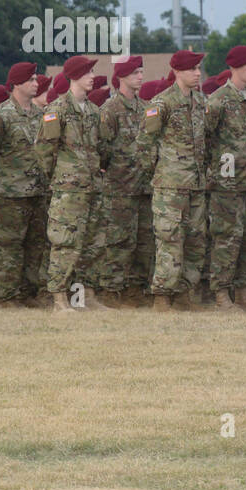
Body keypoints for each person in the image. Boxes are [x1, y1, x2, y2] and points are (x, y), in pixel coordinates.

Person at [35, 55, 109, 313]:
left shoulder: (94, 111)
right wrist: (59, 177)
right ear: (75, 76)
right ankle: (58, 299)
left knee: (92, 243)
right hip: (68, 190)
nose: (92, 77)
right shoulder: (57, 111)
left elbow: (102, 148)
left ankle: (84, 296)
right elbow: (45, 151)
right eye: (87, 72)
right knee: (65, 243)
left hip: (92, 188)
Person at [139, 50, 210, 312]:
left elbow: (206, 142)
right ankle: (163, 296)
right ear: (178, 71)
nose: (197, 73)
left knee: (195, 239)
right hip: (170, 185)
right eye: (192, 69)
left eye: (199, 68)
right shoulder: (161, 103)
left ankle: (185, 294)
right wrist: (158, 174)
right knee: (169, 239)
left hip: (196, 183)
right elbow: (145, 143)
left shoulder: (200, 101)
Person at [204, 46, 246, 309]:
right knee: (227, 237)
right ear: (236, 67)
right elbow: (204, 140)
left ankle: (245, 290)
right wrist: (212, 172)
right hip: (226, 183)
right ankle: (221, 292)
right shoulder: (217, 100)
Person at [0, 61, 48, 307]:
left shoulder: (40, 114)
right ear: (16, 84)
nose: (36, 84)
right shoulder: (2, 115)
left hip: (38, 190)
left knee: (36, 243)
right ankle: (7, 294)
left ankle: (28, 291)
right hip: (10, 191)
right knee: (8, 244)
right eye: (31, 80)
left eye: (36, 80)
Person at [96, 56, 152, 306]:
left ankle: (135, 289)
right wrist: (115, 170)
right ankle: (111, 290)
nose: (140, 77)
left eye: (141, 72)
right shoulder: (110, 110)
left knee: (144, 241)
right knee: (118, 241)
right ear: (122, 77)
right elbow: (102, 149)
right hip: (119, 187)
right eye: (135, 73)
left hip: (144, 186)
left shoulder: (146, 108)